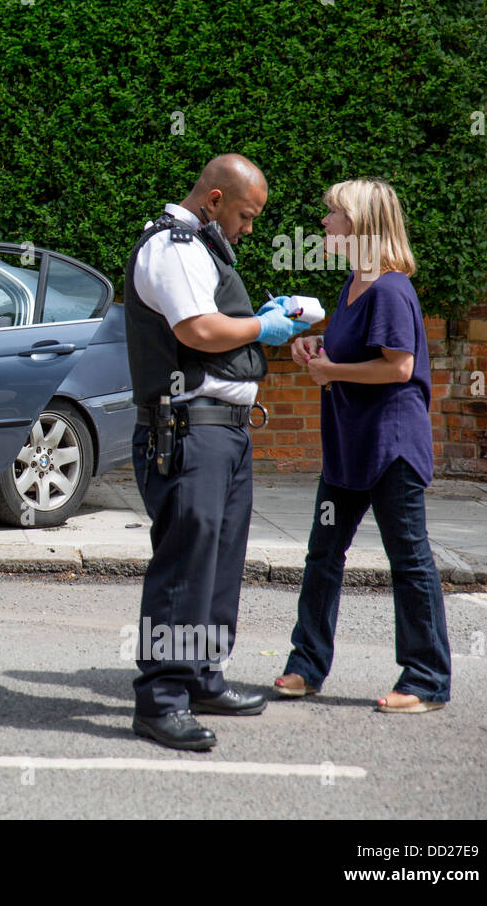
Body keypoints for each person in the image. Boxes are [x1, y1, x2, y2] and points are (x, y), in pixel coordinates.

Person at [124, 154, 310, 751]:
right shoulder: (174, 245)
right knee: (186, 564)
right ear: (213, 201)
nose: (248, 228)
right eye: (245, 214)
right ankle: (161, 700)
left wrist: (256, 321)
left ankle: (202, 676)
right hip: (189, 428)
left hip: (221, 430)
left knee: (220, 562)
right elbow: (198, 331)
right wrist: (263, 328)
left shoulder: (199, 247)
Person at [276, 178, 451, 712]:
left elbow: (397, 366)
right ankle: (306, 666)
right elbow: (353, 351)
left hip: (390, 449)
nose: (325, 224)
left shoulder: (391, 288)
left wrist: (331, 370)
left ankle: (426, 679)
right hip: (347, 448)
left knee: (409, 560)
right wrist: (317, 345)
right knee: (323, 554)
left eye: (333, 215)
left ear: (361, 226)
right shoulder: (354, 284)